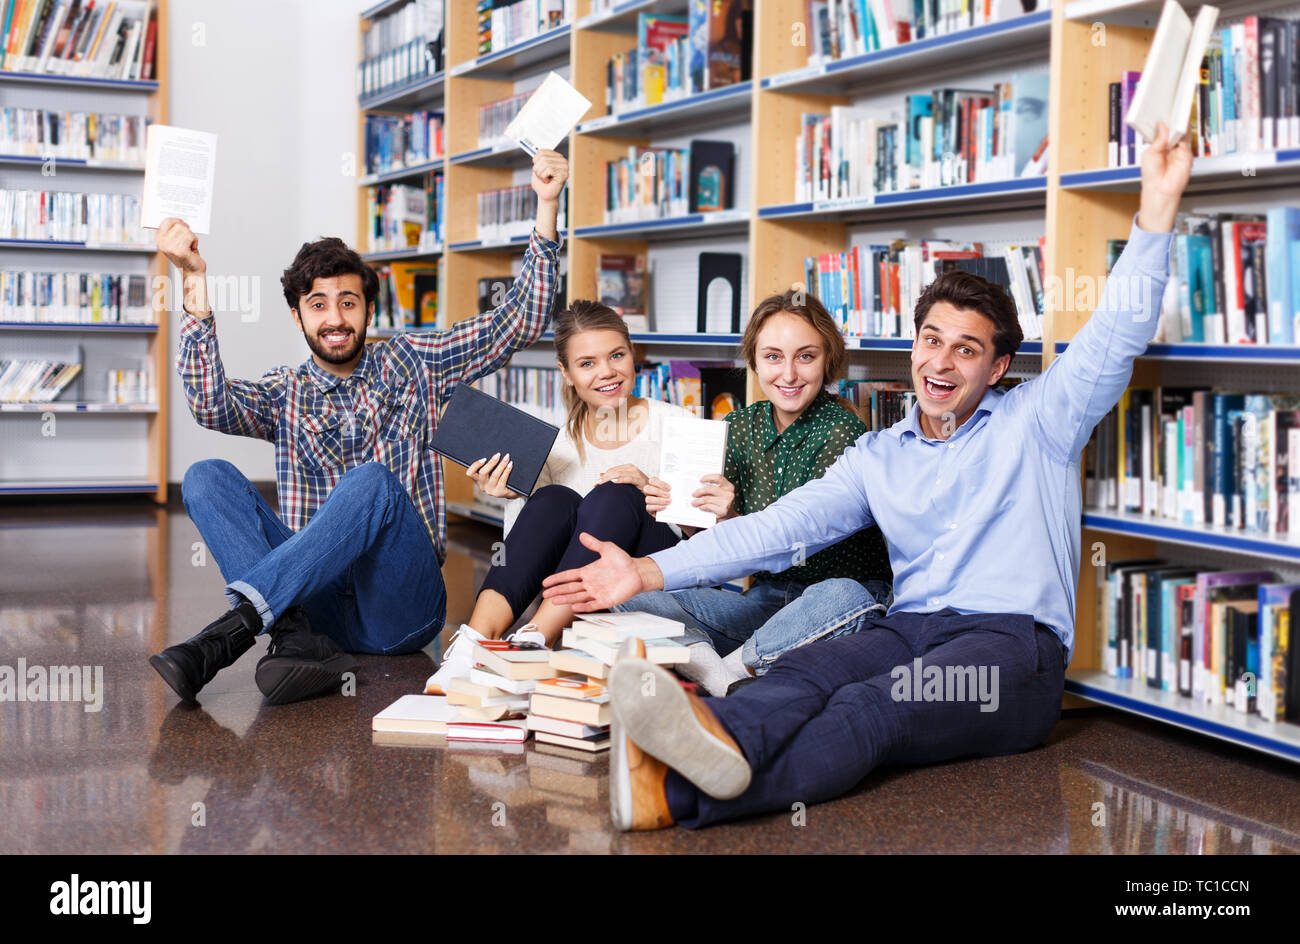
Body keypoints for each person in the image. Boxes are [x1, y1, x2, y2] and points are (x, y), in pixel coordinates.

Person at [541, 124, 1193, 830]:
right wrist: (646, 572)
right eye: (931, 340)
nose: (940, 364)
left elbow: (1113, 339)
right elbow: (780, 530)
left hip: (1010, 650)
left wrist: (1156, 207)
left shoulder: (1040, 422)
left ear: (998, 368)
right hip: (907, 627)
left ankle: (670, 794)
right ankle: (690, 747)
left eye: (966, 350)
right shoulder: (881, 455)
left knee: (871, 708)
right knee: (803, 675)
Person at [149, 150, 568, 707]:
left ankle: (235, 629)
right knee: (204, 476)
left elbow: (520, 320)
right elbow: (209, 404)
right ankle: (295, 638)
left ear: (368, 308)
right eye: (318, 304)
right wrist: (194, 278)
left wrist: (546, 204)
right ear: (297, 316)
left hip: (401, 609)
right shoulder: (284, 391)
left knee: (370, 481)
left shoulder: (415, 360)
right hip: (314, 606)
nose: (335, 318)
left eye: (348, 301)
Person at [615, 291, 893, 696]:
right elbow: (714, 545)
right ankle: (727, 674)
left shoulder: (842, 431)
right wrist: (686, 513)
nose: (789, 374)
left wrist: (732, 520)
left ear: (827, 360)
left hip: (825, 604)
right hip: (763, 604)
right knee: (633, 595)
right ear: (755, 361)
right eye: (773, 356)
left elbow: (801, 542)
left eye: (806, 356)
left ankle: (720, 665)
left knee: (847, 595)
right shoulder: (740, 426)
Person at [425, 299, 695, 693]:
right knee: (552, 498)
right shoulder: (554, 444)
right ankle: (474, 645)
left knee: (615, 492)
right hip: (573, 599)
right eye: (587, 364)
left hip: (650, 579)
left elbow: (706, 543)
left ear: (633, 354)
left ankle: (535, 638)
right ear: (566, 373)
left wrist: (648, 490)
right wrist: (511, 495)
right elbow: (529, 552)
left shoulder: (678, 425)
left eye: (617, 355)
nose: (607, 373)